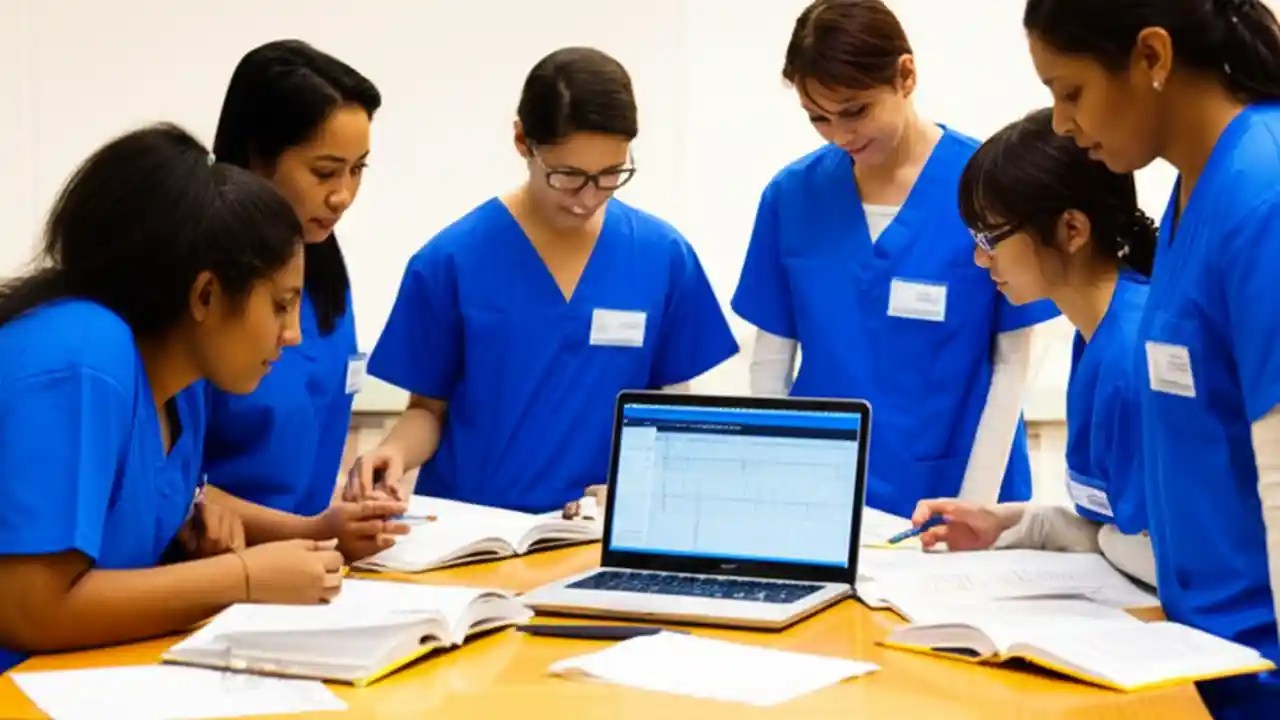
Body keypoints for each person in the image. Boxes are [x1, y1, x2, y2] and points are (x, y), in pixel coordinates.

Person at [0, 124, 346, 673]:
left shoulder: (181, 389)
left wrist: (188, 546)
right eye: (281, 305)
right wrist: (243, 579)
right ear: (205, 295)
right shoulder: (81, 356)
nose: (292, 334)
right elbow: (28, 610)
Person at [1023, 0, 1280, 715]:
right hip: (1206, 656)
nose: (1061, 124)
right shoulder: (1192, 195)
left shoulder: (1265, 188)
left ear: (1153, 58)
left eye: (1069, 92)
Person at [347, 47, 738, 513]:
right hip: (473, 531)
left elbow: (672, 411)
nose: (588, 198)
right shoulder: (451, 261)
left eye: (611, 174)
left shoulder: (662, 257)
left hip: (595, 532)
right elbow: (426, 411)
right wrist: (394, 453)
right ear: (521, 142)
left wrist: (640, 487)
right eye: (567, 175)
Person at [730, 0, 1060, 519]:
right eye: (818, 117)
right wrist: (774, 481)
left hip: (958, 484)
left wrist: (972, 507)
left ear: (905, 76)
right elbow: (771, 363)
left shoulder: (987, 186)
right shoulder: (792, 197)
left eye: (856, 110)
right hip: (821, 496)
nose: (840, 134)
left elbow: (1013, 363)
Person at [907, 108, 1157, 587]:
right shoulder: (1100, 334)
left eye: (990, 237)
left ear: (1072, 230)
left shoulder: (1135, 351)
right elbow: (1121, 529)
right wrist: (1010, 525)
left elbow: (1178, 558)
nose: (981, 259)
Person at [201, 39, 409, 558]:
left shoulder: (322, 272)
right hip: (215, 571)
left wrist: (357, 503)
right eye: (324, 172)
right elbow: (176, 492)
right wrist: (316, 531)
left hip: (310, 565)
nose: (343, 195)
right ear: (256, 156)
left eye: (358, 170)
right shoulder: (198, 287)